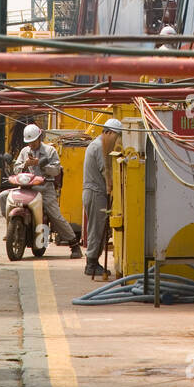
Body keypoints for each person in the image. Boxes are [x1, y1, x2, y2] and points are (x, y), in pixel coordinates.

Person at [0, 124, 82, 258]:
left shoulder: (50, 151)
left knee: (54, 214)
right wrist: (25, 164)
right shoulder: (24, 151)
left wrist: (40, 164)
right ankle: (12, 229)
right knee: (3, 196)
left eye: (33, 141)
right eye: (29, 142)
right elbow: (16, 169)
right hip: (25, 188)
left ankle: (74, 245)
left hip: (44, 188)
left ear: (39, 138)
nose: (31, 144)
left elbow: (56, 170)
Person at [81, 119, 122, 278]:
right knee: (96, 229)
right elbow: (106, 170)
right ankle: (91, 264)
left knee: (100, 229)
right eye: (117, 136)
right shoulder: (99, 146)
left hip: (95, 192)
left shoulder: (99, 144)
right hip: (96, 192)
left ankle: (94, 261)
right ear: (109, 133)